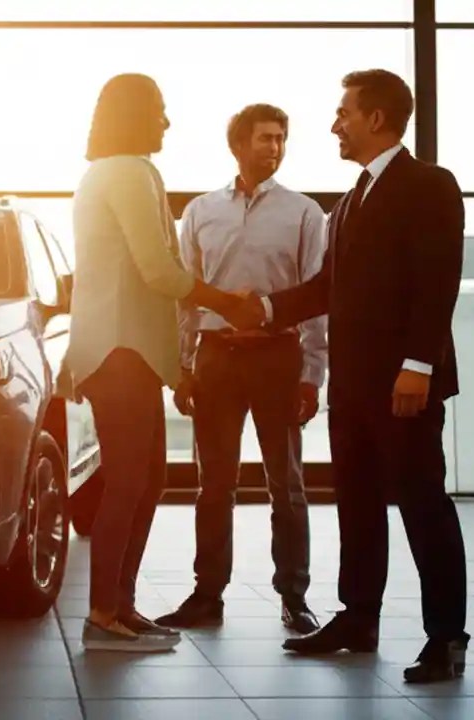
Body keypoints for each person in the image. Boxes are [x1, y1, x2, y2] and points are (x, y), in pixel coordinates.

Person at [221, 69, 469, 684]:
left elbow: (438, 285)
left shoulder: (428, 185)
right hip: (355, 386)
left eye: (344, 113)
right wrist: (270, 307)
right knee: (357, 504)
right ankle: (358, 617)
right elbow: (329, 288)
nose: (335, 124)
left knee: (422, 505)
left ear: (376, 120)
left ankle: (446, 637)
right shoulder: (351, 200)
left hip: (403, 384)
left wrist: (418, 366)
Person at [63, 73, 239, 652]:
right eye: (159, 111)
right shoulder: (127, 172)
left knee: (146, 482)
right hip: (120, 352)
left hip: (124, 351)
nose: (166, 122)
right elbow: (158, 272)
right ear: (135, 114)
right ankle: (104, 616)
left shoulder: (111, 172)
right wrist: (228, 303)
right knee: (130, 485)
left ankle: (120, 607)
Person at [154, 104, 325, 636]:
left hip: (278, 358)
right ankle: (208, 595)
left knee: (288, 485)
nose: (274, 148)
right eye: (264, 139)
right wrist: (182, 366)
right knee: (213, 486)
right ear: (238, 144)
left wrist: (312, 375)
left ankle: (294, 597)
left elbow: (316, 297)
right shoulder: (202, 212)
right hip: (216, 358)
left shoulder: (304, 213)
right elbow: (185, 295)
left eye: (281, 139)